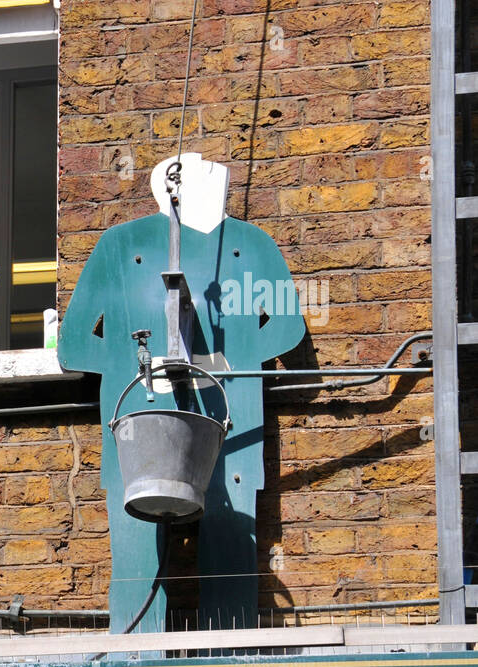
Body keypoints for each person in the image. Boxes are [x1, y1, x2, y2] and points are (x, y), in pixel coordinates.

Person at [59, 154, 306, 632]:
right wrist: (138, 365)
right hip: (138, 417)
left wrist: (222, 363)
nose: (217, 175)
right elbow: (73, 344)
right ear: (171, 183)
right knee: (137, 557)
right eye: (202, 170)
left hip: (233, 421)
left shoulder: (250, 245)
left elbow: (288, 327)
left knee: (230, 544)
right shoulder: (121, 246)